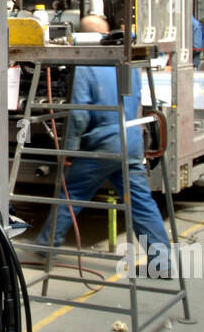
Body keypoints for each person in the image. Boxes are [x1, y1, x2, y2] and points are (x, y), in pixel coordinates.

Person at [34, 15, 173, 276]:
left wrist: (70, 150)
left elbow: (80, 113)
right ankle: (162, 261)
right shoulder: (127, 64)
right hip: (130, 141)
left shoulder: (89, 64)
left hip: (101, 146)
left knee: (71, 195)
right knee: (141, 203)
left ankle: (46, 247)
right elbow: (134, 102)